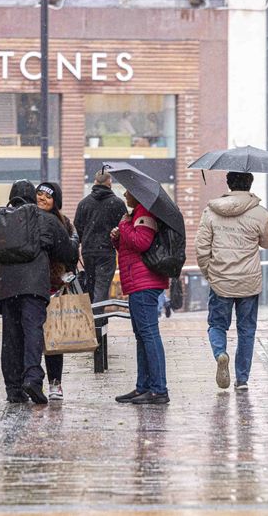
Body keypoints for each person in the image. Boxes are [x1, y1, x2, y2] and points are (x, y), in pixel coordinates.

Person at [0, 179, 75, 405]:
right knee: (33, 332)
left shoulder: (1, 218)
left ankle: (13, 388)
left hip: (6, 287)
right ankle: (33, 378)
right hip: (33, 286)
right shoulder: (46, 219)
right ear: (32, 196)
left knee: (11, 338)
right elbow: (68, 252)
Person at [195, 172, 268, 390]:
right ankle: (242, 379)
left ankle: (220, 353)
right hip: (249, 281)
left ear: (229, 184)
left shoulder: (211, 211)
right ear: (250, 184)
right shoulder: (260, 213)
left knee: (217, 325)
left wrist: (209, 273)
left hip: (220, 279)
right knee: (246, 330)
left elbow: (201, 248)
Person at [112, 191, 170, 405]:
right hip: (138, 281)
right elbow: (132, 247)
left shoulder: (144, 212)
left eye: (128, 191)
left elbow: (142, 242)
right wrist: (118, 239)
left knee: (149, 334)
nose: (125, 194)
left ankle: (158, 389)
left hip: (144, 282)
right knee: (142, 335)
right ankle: (143, 387)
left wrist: (124, 225)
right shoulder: (137, 213)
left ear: (137, 194)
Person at [36, 181, 80, 401]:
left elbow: (70, 255)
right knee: (34, 338)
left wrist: (65, 276)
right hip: (33, 285)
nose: (42, 198)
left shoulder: (64, 223)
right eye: (39, 194)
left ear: (56, 201)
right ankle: (34, 381)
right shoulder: (29, 218)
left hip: (55, 287)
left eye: (48, 195)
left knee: (54, 338)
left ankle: (55, 383)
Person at [74, 172, 128, 304]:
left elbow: (78, 226)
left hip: (88, 251)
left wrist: (84, 240)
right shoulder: (117, 203)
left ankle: (92, 313)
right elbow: (124, 227)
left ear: (95, 182)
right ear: (110, 184)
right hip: (106, 251)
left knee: (91, 286)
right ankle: (98, 315)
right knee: (102, 288)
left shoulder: (84, 203)